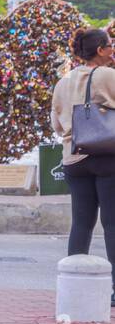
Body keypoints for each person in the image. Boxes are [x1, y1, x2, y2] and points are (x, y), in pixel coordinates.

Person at [51, 27, 115, 305]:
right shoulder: (107, 75)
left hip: (73, 158)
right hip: (106, 157)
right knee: (112, 224)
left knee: (81, 223)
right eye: (110, 45)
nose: (113, 50)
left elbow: (56, 124)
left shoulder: (64, 81)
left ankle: (73, 284)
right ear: (100, 49)